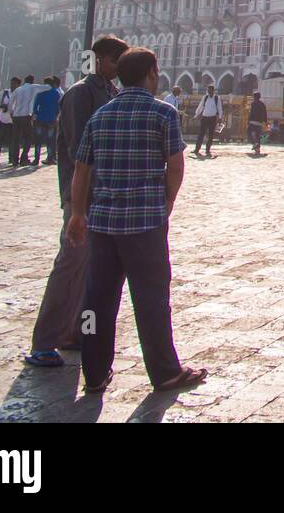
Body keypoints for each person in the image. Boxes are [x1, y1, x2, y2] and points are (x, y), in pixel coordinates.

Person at [67, 46, 207, 394]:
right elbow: (175, 165)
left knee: (96, 301)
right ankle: (164, 371)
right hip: (145, 222)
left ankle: (94, 372)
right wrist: (168, 201)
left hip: (103, 224)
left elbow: (81, 169)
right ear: (150, 74)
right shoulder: (163, 113)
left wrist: (77, 214)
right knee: (152, 300)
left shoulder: (99, 116)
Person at [25, 35, 126, 368]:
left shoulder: (111, 92)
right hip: (82, 195)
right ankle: (44, 341)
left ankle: (77, 333)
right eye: (116, 61)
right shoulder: (80, 94)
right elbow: (79, 149)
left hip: (105, 194)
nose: (119, 68)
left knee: (91, 272)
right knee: (70, 265)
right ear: (100, 59)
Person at [9, 74, 49, 165]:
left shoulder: (18, 89)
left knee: (16, 138)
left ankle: (14, 159)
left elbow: (10, 103)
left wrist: (11, 113)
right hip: (26, 116)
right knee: (28, 137)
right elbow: (47, 87)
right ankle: (24, 158)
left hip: (16, 116)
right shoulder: (33, 87)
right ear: (32, 81)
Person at [32, 77, 62, 166]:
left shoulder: (40, 93)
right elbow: (58, 107)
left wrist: (37, 114)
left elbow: (35, 107)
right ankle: (50, 158)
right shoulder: (56, 93)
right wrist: (55, 115)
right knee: (50, 141)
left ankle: (36, 159)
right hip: (51, 119)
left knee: (38, 140)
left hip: (40, 118)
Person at [193, 85, 222, 157]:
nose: (209, 92)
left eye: (210, 90)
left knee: (211, 135)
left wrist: (220, 118)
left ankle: (207, 150)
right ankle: (197, 149)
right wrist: (196, 116)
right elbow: (200, 106)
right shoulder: (205, 97)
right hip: (204, 118)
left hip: (212, 118)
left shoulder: (216, 98)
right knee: (201, 134)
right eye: (208, 90)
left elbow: (219, 108)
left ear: (213, 90)